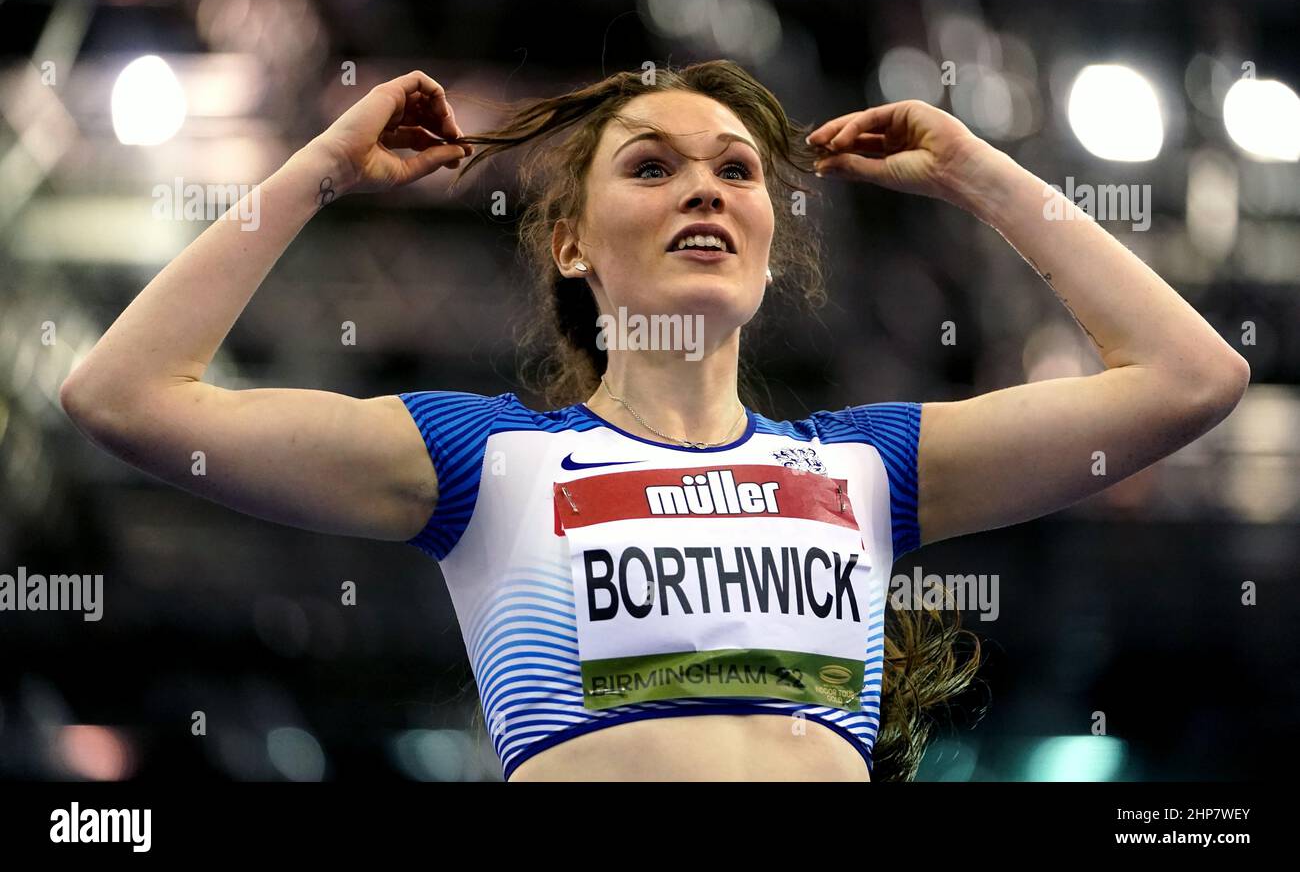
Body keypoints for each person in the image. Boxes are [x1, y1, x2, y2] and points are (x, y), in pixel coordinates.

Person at [60, 61, 1250, 782]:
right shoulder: (487, 462)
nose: (705, 187)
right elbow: (125, 395)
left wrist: (979, 173)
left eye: (737, 171)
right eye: (651, 166)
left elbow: (1190, 374)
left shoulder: (862, 469)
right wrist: (318, 167)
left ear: (769, 241)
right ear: (570, 244)